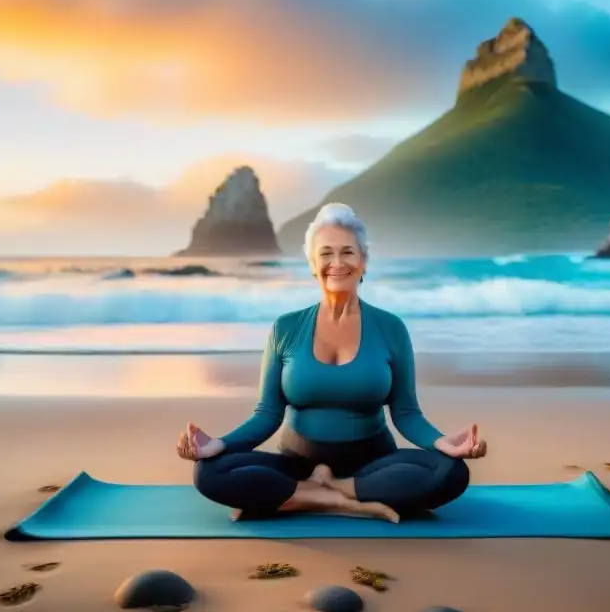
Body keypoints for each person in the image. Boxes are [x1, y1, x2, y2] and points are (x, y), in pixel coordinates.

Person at [176, 202, 488, 523]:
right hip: (297, 463)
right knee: (209, 471)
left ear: (363, 261)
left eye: (347, 252)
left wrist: (441, 442)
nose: (336, 263)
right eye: (325, 253)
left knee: (451, 471)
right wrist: (219, 444)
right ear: (313, 264)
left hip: (372, 464)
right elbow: (267, 414)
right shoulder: (286, 328)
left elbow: (406, 413)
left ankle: (311, 493)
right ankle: (343, 502)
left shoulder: (391, 328)